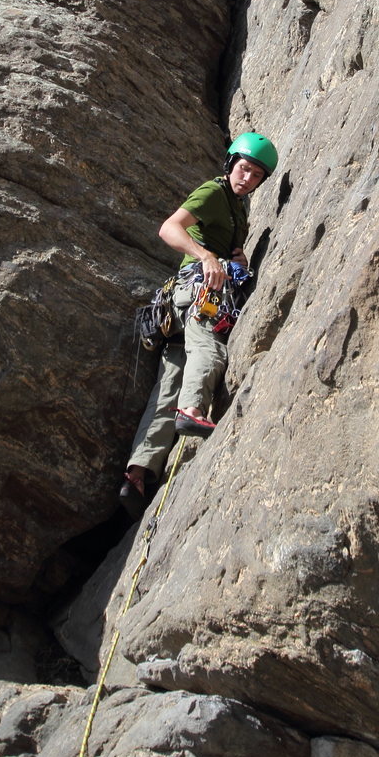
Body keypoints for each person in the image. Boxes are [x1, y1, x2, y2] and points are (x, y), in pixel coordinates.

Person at [119, 131, 278, 519]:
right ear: (230, 165)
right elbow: (169, 228)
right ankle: (192, 410)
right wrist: (207, 256)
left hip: (181, 303)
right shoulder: (213, 191)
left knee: (171, 378)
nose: (247, 178)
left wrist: (234, 254)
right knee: (207, 343)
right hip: (199, 288)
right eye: (243, 169)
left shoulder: (238, 208)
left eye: (256, 175)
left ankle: (138, 471)